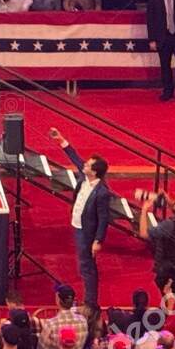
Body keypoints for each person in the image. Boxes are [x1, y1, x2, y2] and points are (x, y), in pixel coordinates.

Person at [49, 127, 111, 310]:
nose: (84, 165)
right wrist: (61, 140)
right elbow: (75, 158)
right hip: (78, 226)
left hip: (87, 232)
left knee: (87, 266)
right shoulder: (85, 176)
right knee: (83, 263)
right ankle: (90, 299)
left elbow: (104, 218)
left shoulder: (102, 193)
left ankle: (91, 302)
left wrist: (98, 240)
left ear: (94, 172)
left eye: (88, 165)